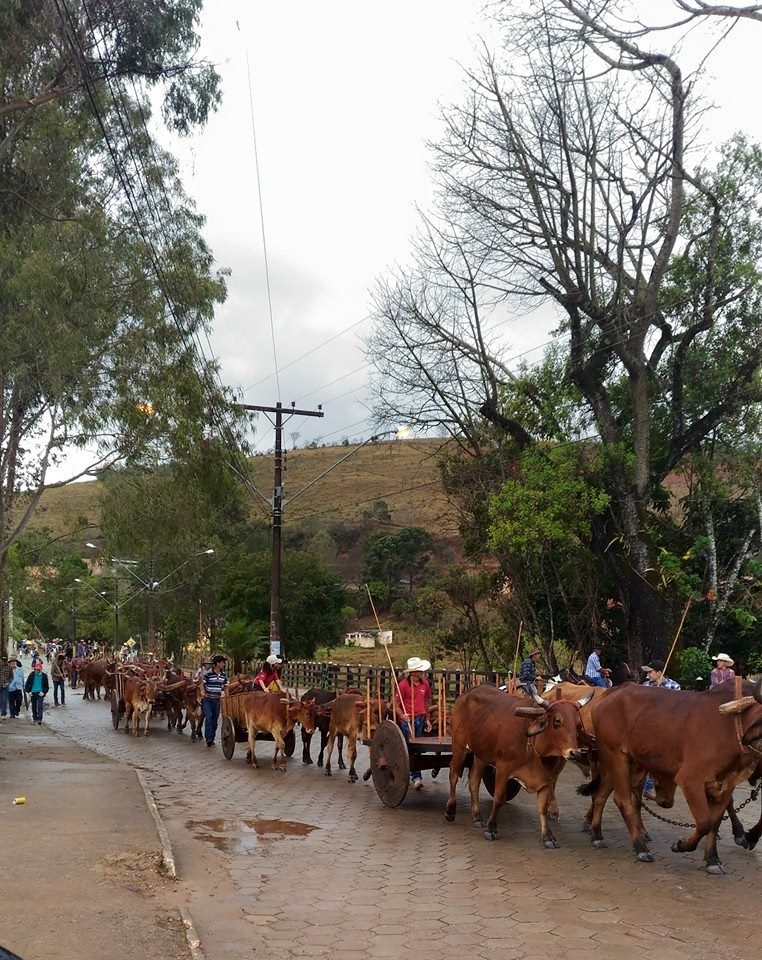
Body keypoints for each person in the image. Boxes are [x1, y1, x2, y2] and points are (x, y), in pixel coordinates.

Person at [641, 659, 680, 798]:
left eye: (650, 672)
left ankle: (649, 786)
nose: (647, 675)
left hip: (665, 730)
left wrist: (661, 694)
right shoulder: (645, 686)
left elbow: (676, 710)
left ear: (659, 673)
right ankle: (642, 786)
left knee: (658, 761)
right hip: (646, 728)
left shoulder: (674, 687)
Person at [394, 656, 432, 790]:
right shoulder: (403, 685)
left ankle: (415, 775)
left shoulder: (425, 684)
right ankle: (416, 777)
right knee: (411, 747)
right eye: (419, 670)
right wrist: (402, 715)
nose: (422, 672)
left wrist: (427, 718)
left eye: (422, 670)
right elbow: (396, 704)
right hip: (407, 719)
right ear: (412, 672)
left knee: (418, 747)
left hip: (420, 718)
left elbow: (427, 702)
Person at [202, 655, 228, 747]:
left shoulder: (224, 676)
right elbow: (203, 684)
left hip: (217, 701)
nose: (224, 664)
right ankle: (208, 738)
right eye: (222, 662)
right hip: (208, 700)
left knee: (214, 720)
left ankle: (212, 737)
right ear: (217, 663)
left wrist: (227, 697)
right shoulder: (208, 674)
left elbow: (225, 686)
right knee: (208, 718)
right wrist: (202, 691)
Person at [25, 660, 49, 725]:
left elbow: (46, 686)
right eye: (36, 669)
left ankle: (40, 719)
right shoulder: (31, 675)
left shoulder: (44, 676)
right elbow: (27, 684)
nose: (37, 671)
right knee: (34, 706)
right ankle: (35, 717)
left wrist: (43, 692)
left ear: (41, 669)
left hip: (40, 693)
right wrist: (29, 692)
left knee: (40, 706)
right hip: (33, 692)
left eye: (39, 669)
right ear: (35, 668)